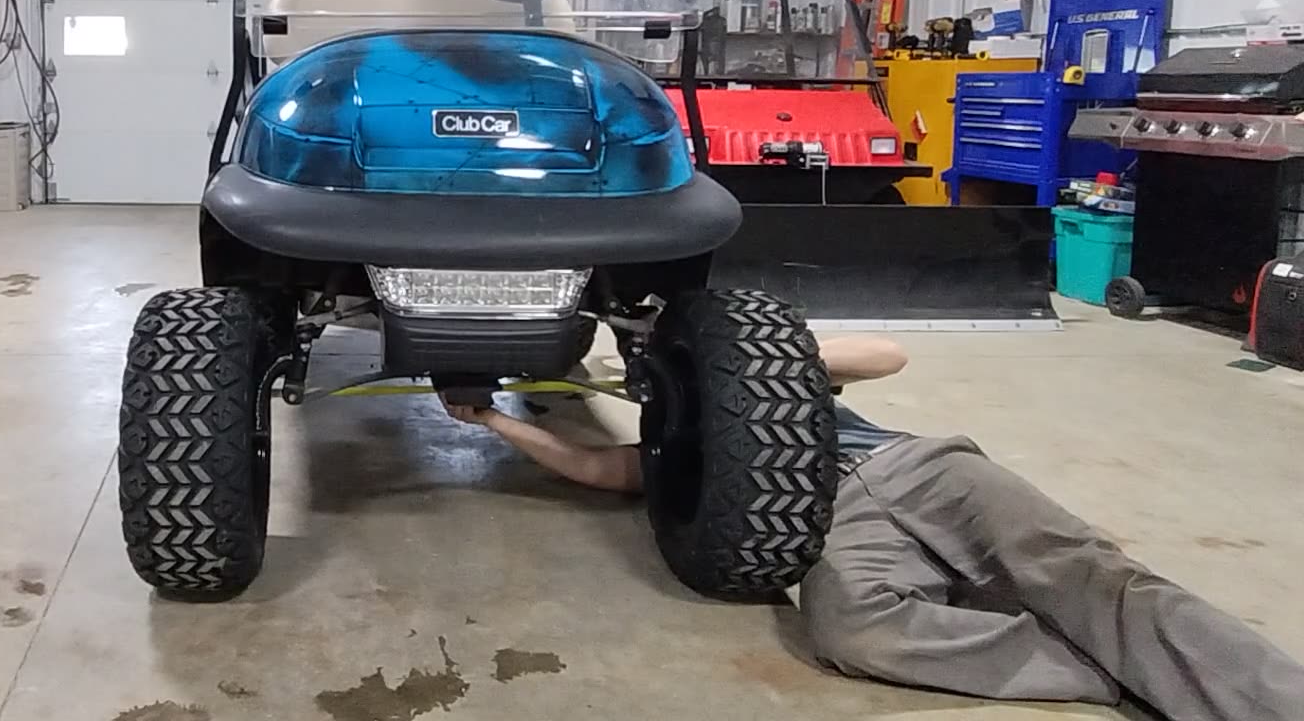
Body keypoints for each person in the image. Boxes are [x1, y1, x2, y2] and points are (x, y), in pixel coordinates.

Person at [443, 337, 1304, 721]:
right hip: (830, 526)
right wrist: (493, 425)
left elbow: (887, 353)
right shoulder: (671, 457)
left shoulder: (772, 375)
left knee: (1089, 576)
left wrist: (752, 355)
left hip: (920, 471)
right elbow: (598, 470)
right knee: (850, 628)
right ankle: (1112, 669)